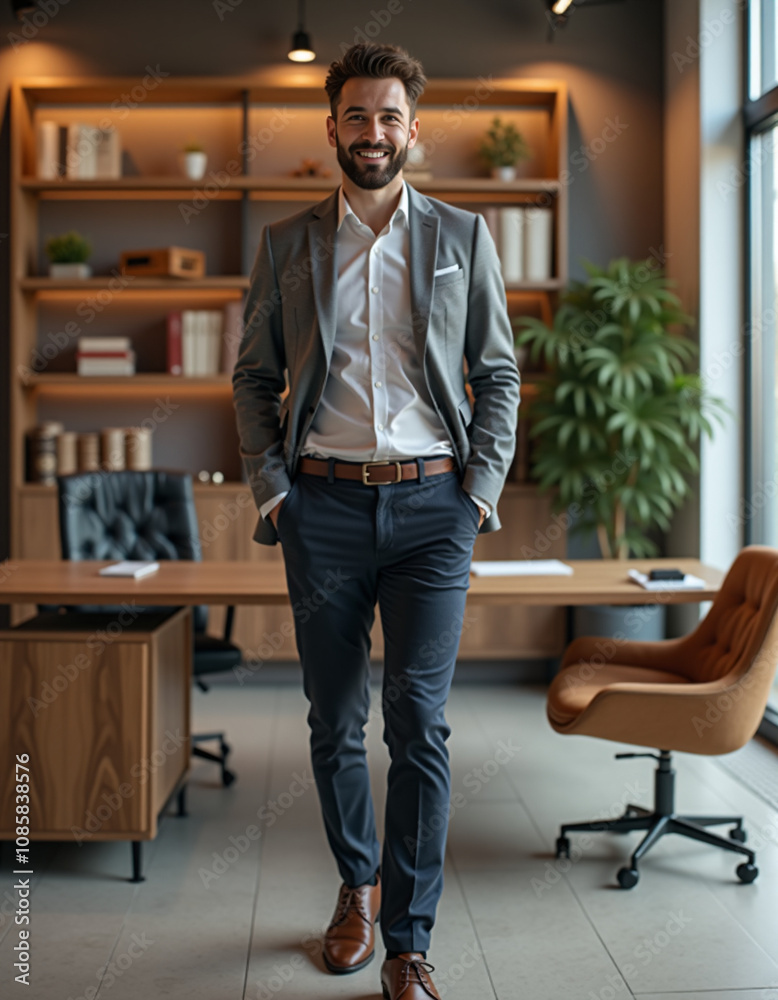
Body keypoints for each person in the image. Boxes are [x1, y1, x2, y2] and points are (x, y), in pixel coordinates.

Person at [232, 41, 520, 1000]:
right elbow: (253, 377)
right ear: (332, 127)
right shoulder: (287, 243)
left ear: (412, 129)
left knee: (420, 724)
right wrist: (276, 492)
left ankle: (409, 940)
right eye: (356, 115)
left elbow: (498, 373)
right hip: (320, 506)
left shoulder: (462, 236)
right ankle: (356, 888)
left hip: (436, 508)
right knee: (334, 719)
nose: (373, 131)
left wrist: (478, 492)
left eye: (389, 116)